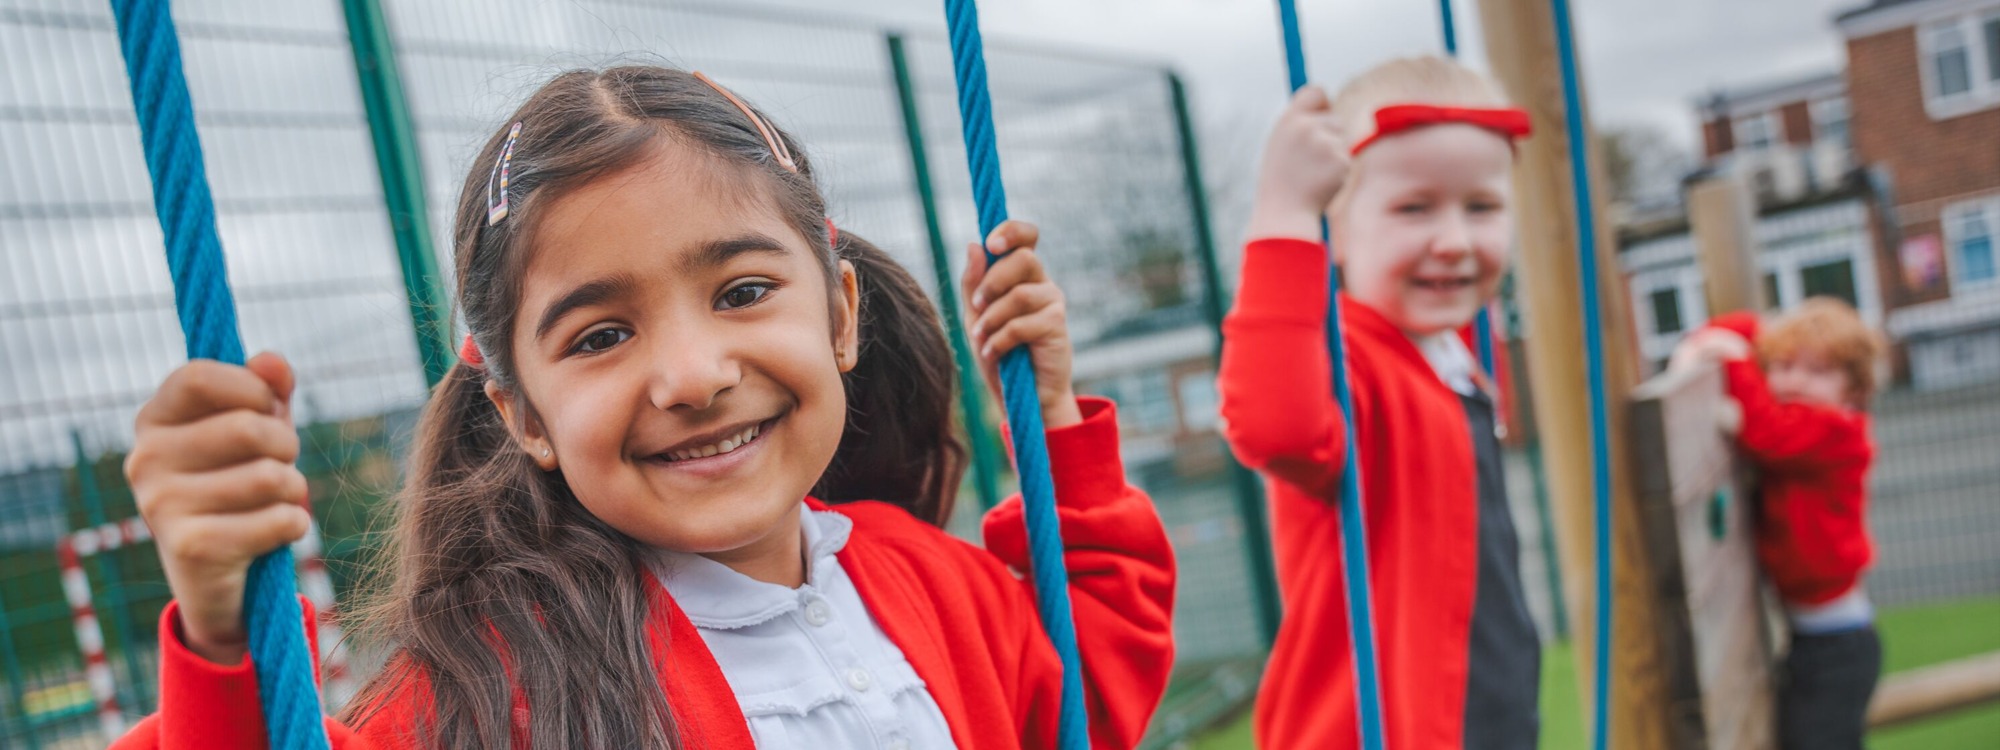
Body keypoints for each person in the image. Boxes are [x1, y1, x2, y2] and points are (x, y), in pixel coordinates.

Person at [115, 65, 1174, 750]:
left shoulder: (933, 583)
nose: (691, 375)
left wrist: (1053, 427)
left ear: (839, 315)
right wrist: (224, 634)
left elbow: (1092, 681)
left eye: (743, 292)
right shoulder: (497, 691)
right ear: (523, 414)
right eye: (600, 336)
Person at [1217, 55, 1541, 749]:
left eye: (1481, 207)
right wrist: (1284, 213)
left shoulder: (1458, 356)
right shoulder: (1347, 362)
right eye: (1413, 208)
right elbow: (1273, 427)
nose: (1453, 241)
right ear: (1336, 222)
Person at [1672, 297, 1884, 750]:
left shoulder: (1835, 431)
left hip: (1838, 648)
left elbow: (1765, 434)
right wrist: (1726, 335)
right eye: (1783, 366)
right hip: (1812, 639)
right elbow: (1743, 327)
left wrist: (1730, 358)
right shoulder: (1804, 422)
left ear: (1855, 389)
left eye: (1818, 372)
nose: (1794, 381)